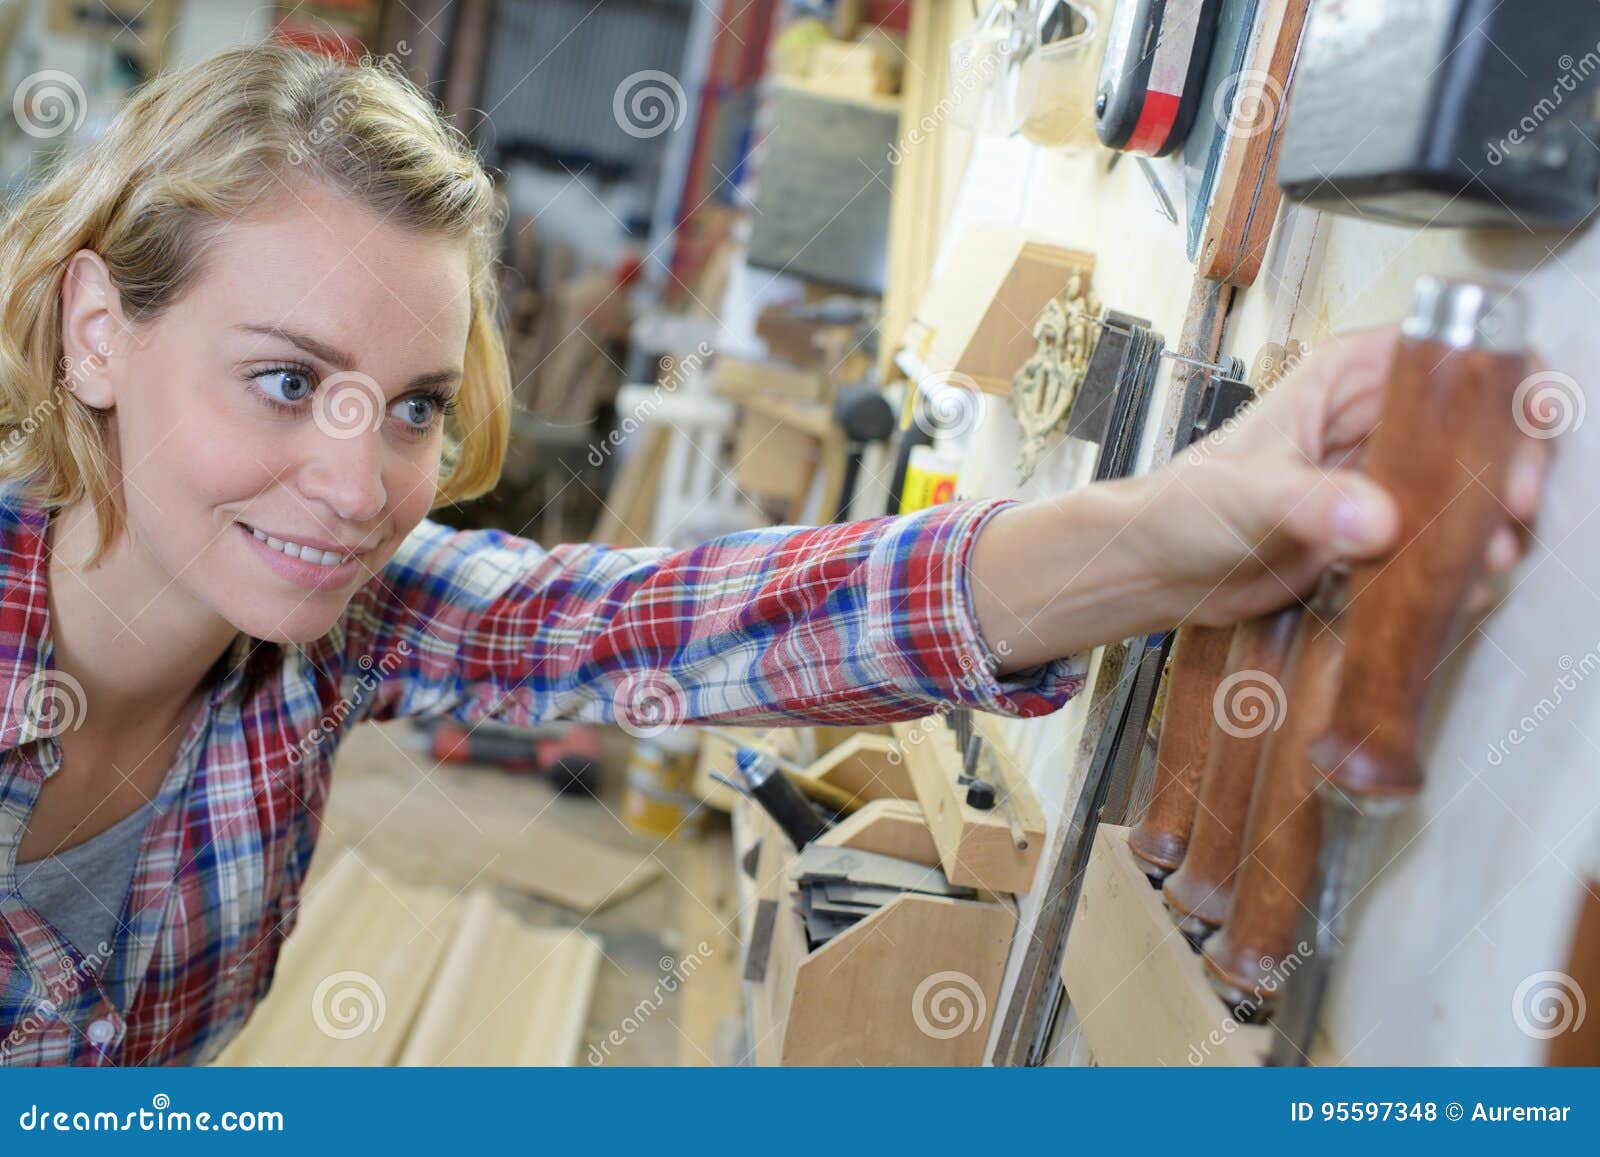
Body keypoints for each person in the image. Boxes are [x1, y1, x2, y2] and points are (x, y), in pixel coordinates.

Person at [0, 47, 1547, 1067]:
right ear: (97, 335)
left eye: (409, 406)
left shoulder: (331, 633)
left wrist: (1169, 532)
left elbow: (698, 623)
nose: (357, 483)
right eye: (284, 379)